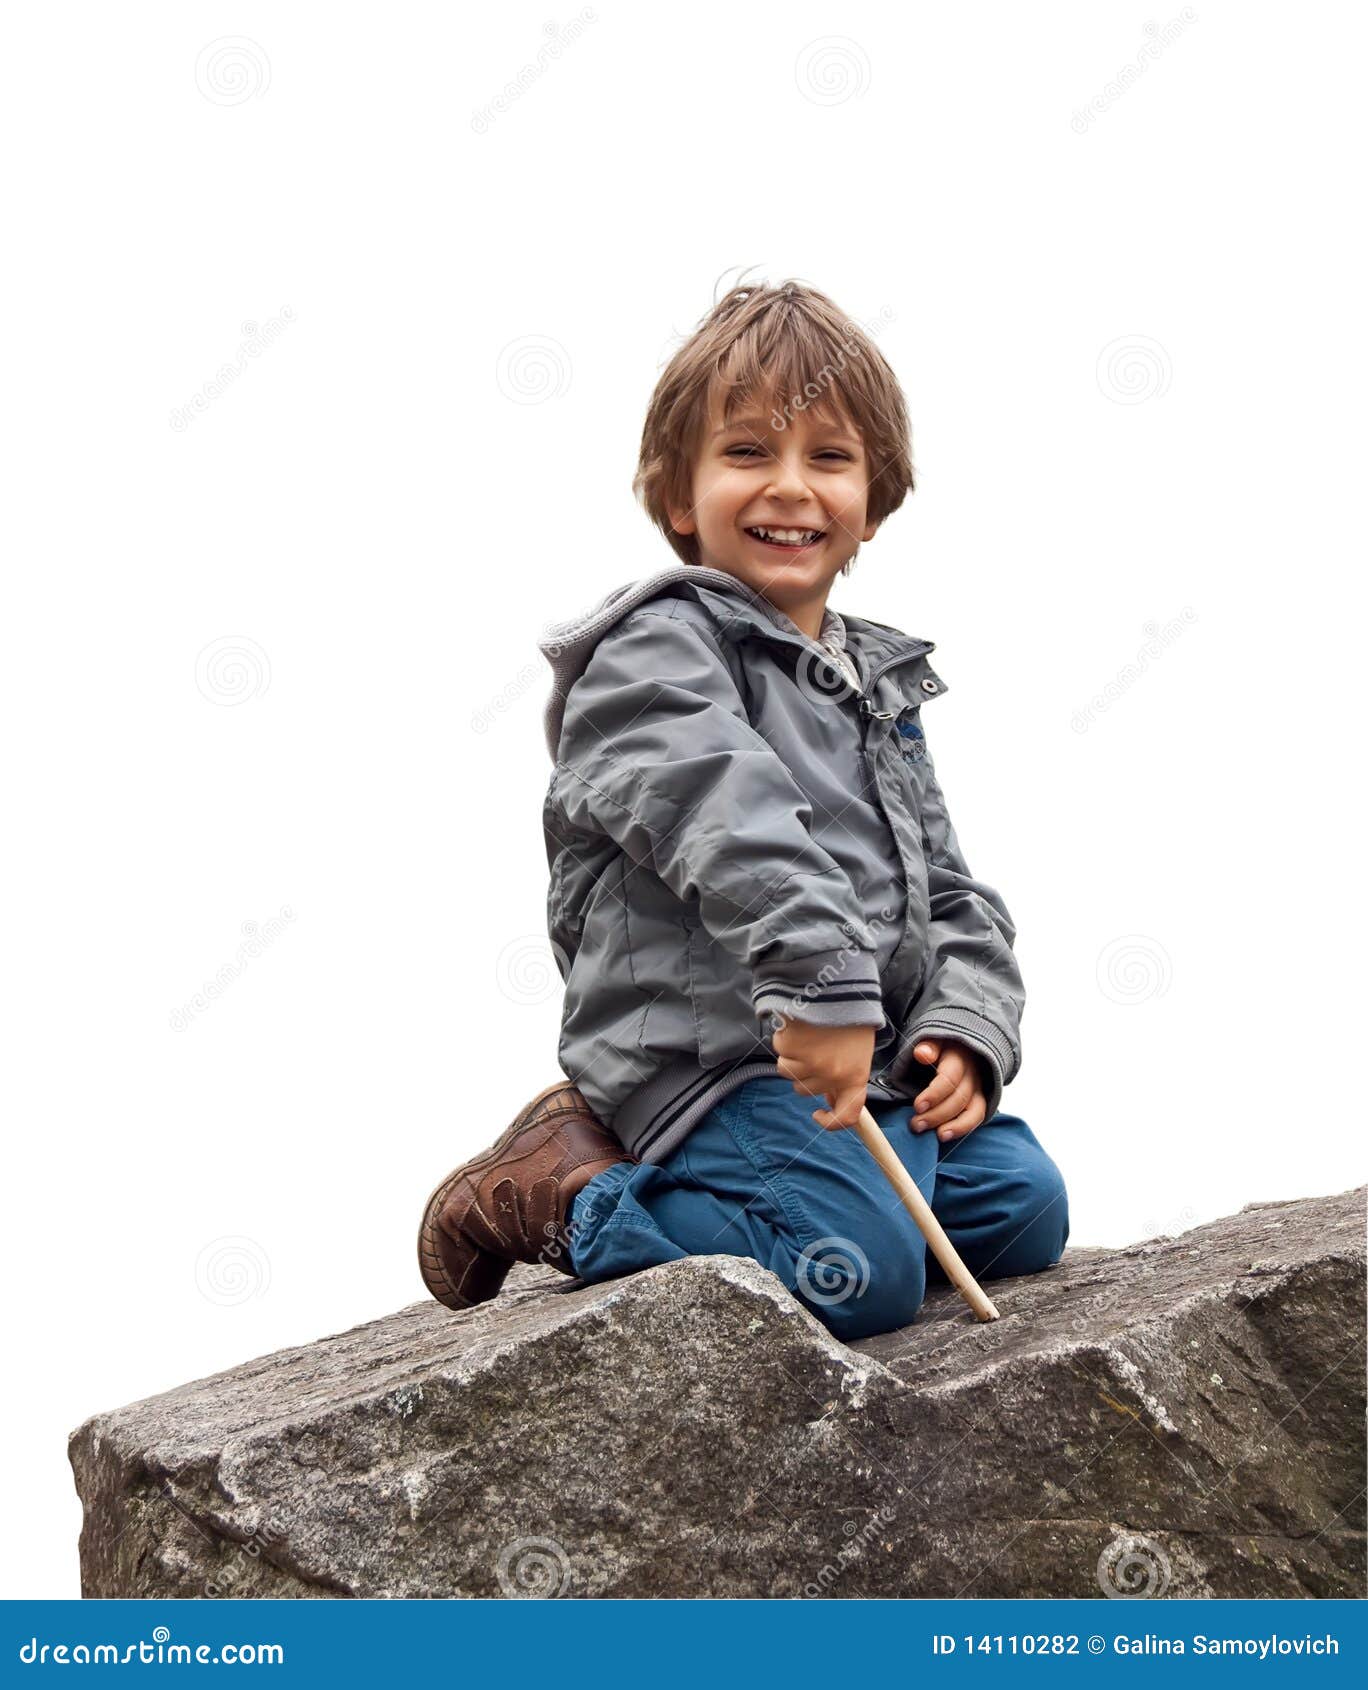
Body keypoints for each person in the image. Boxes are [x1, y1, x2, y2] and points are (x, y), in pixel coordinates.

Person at [419, 280, 1068, 1342]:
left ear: (873, 500)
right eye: (748, 452)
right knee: (862, 1274)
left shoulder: (874, 683)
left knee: (1025, 1206)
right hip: (718, 1061)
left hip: (862, 1057)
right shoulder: (653, 653)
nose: (791, 486)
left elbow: (949, 889)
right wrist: (822, 990)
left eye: (829, 457)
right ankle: (568, 1194)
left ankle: (840, 1189)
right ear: (680, 496)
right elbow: (732, 822)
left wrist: (963, 1029)